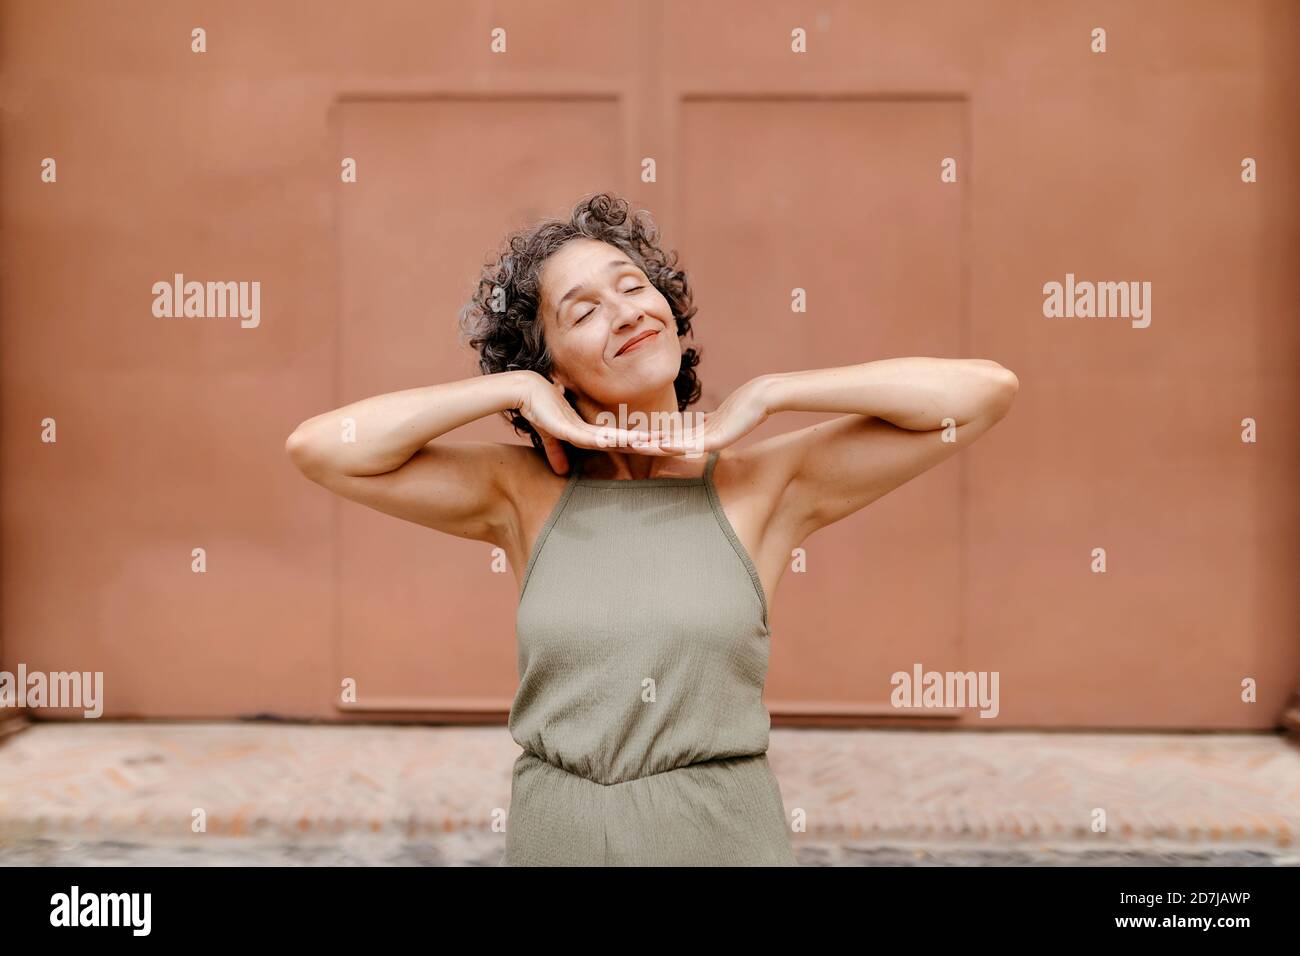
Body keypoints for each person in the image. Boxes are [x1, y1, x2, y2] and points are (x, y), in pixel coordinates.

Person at [285, 192, 1019, 865]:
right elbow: (321, 449)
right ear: (554, 372)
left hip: (718, 837)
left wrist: (773, 394)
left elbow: (982, 393)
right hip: (557, 839)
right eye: (583, 311)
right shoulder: (521, 492)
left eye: (633, 286)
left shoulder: (762, 485)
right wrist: (508, 391)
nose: (626, 310)